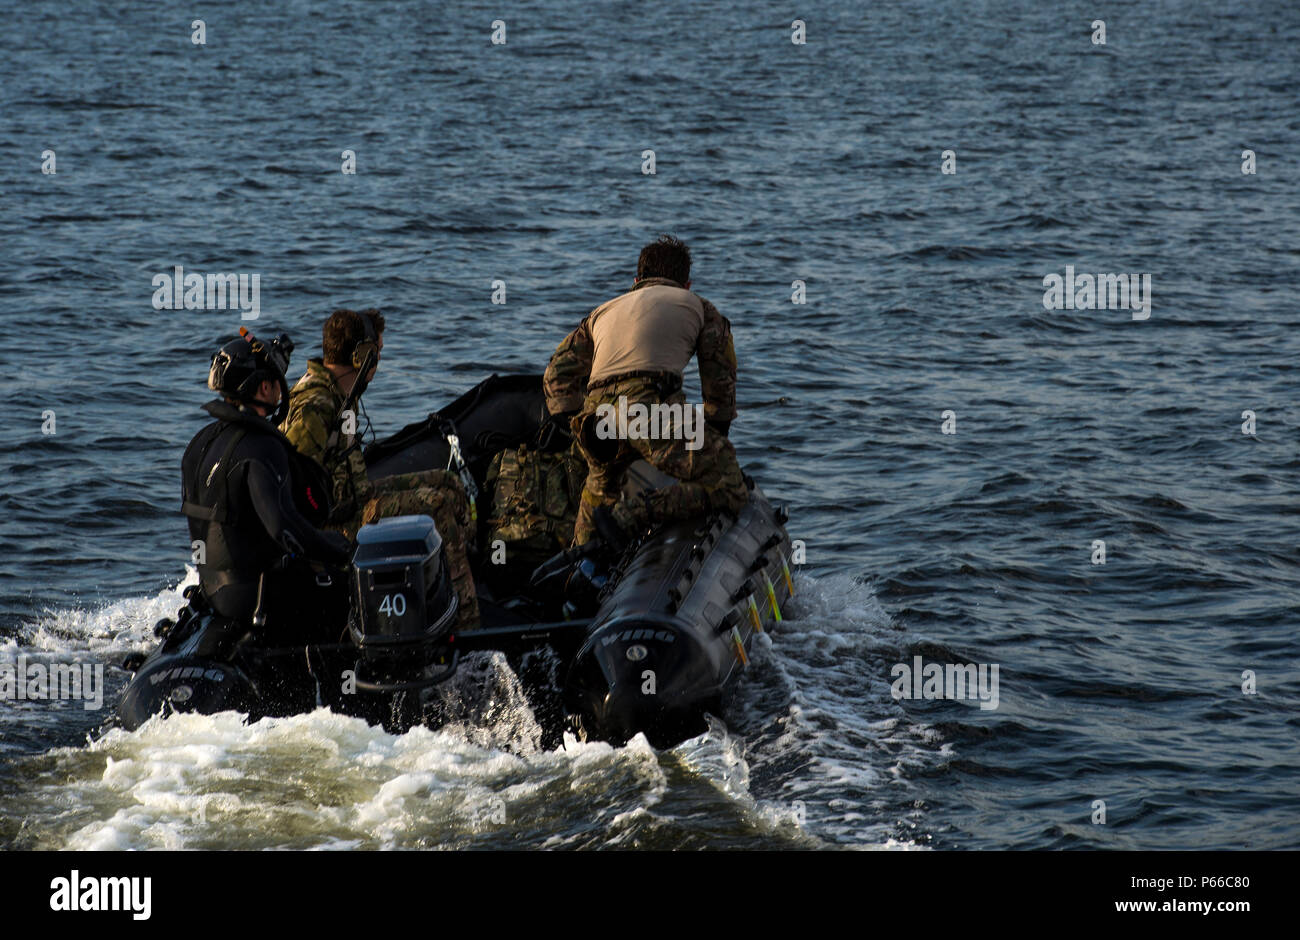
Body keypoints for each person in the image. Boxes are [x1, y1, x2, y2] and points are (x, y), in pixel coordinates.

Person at [542, 234, 749, 548]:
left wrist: (570, 419)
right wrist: (715, 437)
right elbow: (719, 379)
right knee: (731, 486)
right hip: (647, 409)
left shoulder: (603, 311)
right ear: (687, 285)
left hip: (595, 417)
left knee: (600, 487)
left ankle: (579, 562)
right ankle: (632, 515)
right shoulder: (699, 307)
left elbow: (557, 371)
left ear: (636, 280)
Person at [280, 308, 480, 629]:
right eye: (378, 353)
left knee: (448, 483)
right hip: (338, 522)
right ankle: (468, 625)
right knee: (436, 503)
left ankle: (455, 579)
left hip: (358, 498)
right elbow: (291, 483)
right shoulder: (316, 405)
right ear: (361, 355)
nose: (379, 363)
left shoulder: (341, 393)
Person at [181, 330, 352, 630]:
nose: (279, 389)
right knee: (354, 587)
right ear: (263, 388)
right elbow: (284, 528)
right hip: (252, 596)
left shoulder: (199, 443)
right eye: (275, 382)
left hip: (212, 588)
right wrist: (341, 548)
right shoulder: (263, 447)